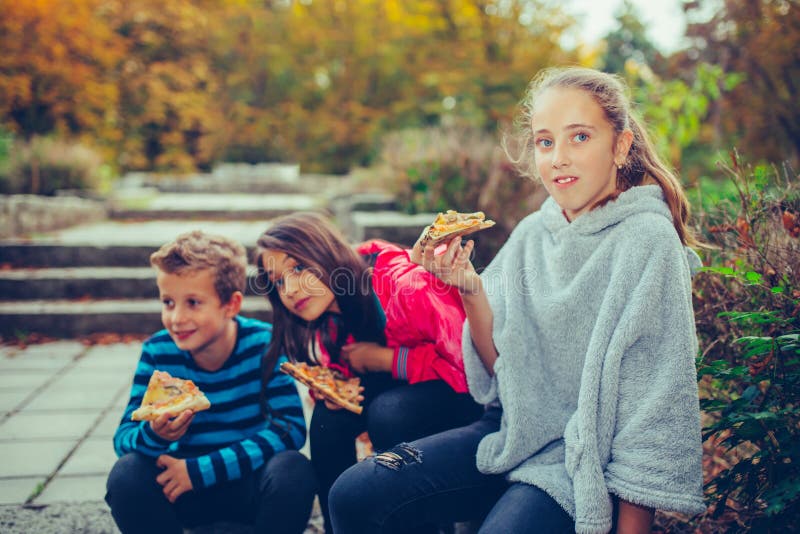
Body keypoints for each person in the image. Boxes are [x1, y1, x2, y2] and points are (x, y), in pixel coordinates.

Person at [327, 66, 707, 534]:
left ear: (621, 145)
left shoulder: (647, 241)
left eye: (580, 137)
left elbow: (655, 405)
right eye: (546, 142)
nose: (559, 158)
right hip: (509, 435)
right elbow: (501, 371)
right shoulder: (533, 233)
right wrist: (468, 287)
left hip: (577, 467)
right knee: (354, 495)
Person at [255, 212, 484, 531]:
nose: (290, 289)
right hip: (406, 392)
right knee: (327, 419)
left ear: (326, 251)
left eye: (298, 268)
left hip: (468, 404)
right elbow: (338, 370)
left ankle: (424, 524)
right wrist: (333, 388)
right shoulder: (327, 318)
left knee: (389, 412)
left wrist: (388, 360)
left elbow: (468, 368)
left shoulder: (403, 286)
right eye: (278, 281)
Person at [105, 230, 316, 534]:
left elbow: (290, 429)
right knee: (126, 474)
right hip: (178, 490)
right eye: (168, 302)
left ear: (230, 305)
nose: (176, 318)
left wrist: (202, 471)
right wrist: (155, 434)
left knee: (293, 469)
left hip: (246, 485)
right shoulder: (158, 352)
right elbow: (123, 438)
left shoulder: (265, 345)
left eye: (193, 302)